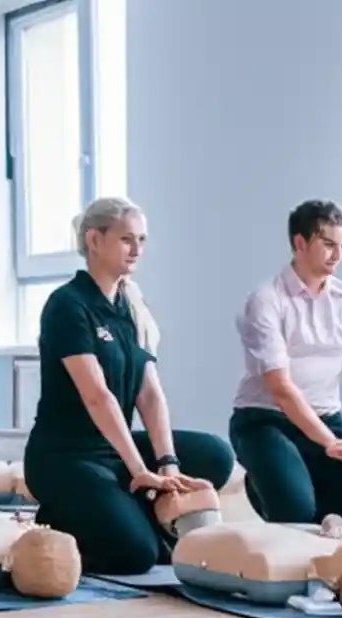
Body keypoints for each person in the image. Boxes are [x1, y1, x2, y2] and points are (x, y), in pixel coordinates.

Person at [22, 197, 235, 576]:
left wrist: (168, 465)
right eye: (126, 239)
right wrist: (141, 470)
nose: (137, 249)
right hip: (65, 457)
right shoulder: (67, 306)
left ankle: (127, 507)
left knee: (216, 455)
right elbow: (97, 396)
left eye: (142, 239)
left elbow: (150, 394)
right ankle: (60, 515)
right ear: (94, 240)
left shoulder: (131, 307)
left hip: (113, 451)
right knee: (137, 555)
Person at [230, 199, 342, 527]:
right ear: (299, 243)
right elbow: (280, 388)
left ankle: (300, 472)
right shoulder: (265, 300)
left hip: (327, 417)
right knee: (297, 512)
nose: (337, 255)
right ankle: (263, 484)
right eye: (327, 245)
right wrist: (331, 444)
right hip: (264, 420)